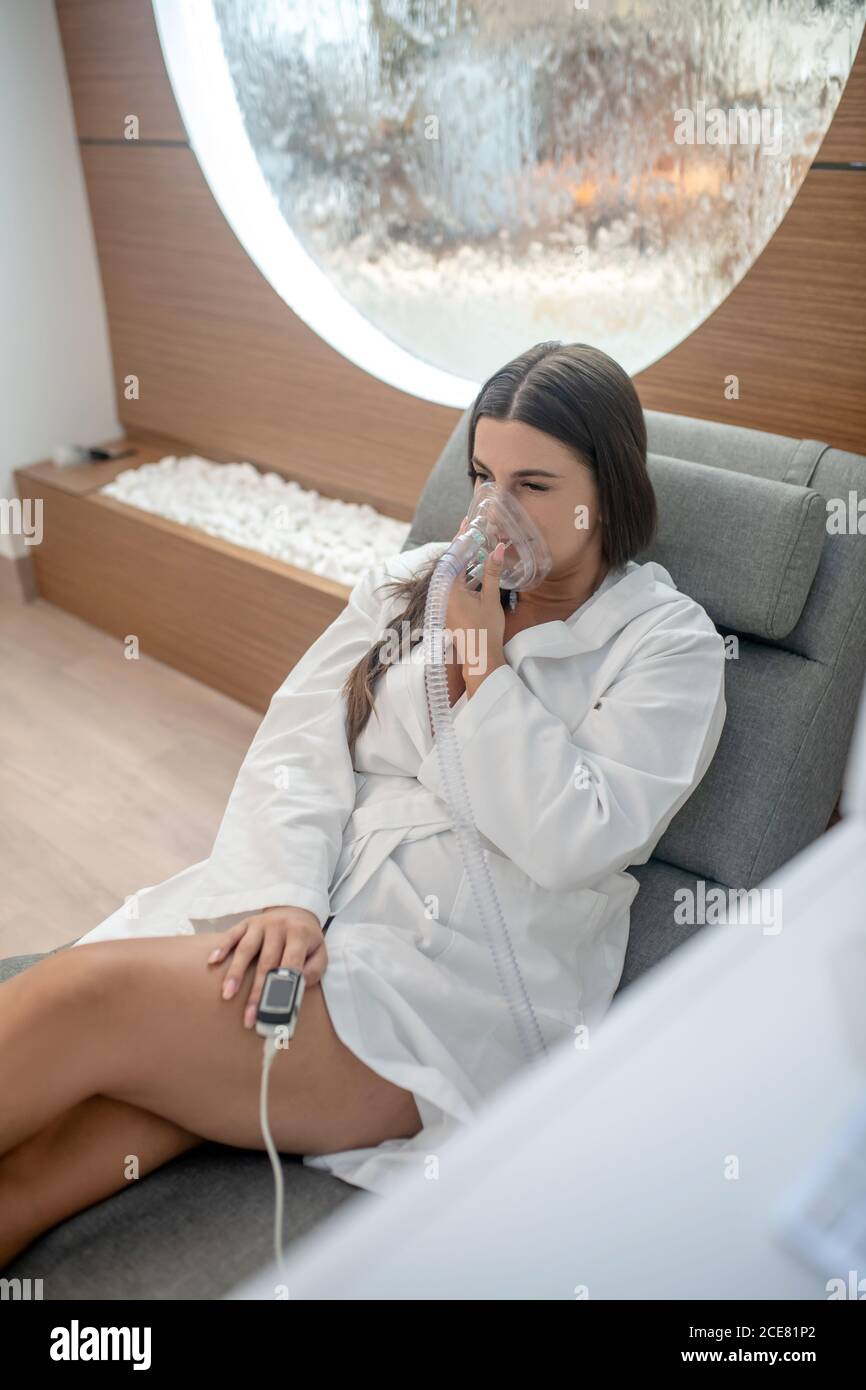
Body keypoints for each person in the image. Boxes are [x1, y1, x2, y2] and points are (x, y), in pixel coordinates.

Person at [0, 341, 726, 1262]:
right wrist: (288, 895)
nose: (497, 511)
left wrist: (479, 663)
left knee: (84, 996)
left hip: (447, 994)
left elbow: (576, 837)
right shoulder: (411, 580)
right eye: (482, 477)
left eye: (535, 485)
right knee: (35, 1175)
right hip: (318, 924)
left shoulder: (669, 648)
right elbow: (300, 740)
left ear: (609, 492)